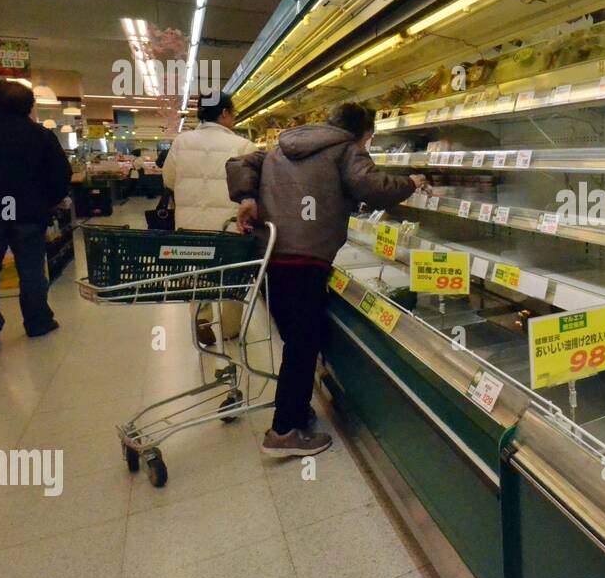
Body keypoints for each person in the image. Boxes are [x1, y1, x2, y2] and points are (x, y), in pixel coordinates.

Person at [227, 102, 428, 457]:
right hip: (307, 258)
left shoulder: (281, 147)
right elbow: (373, 186)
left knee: (296, 341)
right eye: (368, 140)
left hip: (272, 253)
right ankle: (284, 431)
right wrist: (411, 182)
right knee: (303, 345)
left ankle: (294, 410)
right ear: (363, 134)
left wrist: (246, 197)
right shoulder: (347, 150)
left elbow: (239, 162)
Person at [0, 79, 72, 351]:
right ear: (27, 106)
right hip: (27, 214)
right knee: (31, 269)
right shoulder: (40, 136)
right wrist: (49, 201)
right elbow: (61, 174)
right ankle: (37, 321)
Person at [162, 91, 258, 345]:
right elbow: (255, 186)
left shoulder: (181, 142)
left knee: (196, 274)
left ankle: (202, 317)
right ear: (224, 113)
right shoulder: (243, 145)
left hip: (189, 225)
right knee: (232, 275)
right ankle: (230, 329)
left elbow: (169, 179)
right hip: (229, 226)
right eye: (234, 113)